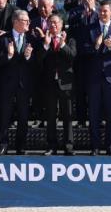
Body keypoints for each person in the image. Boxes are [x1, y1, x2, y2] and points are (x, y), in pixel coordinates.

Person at [79, 0, 111, 155]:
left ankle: (110, 146)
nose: (103, 13)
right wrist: (95, 46)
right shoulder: (89, 28)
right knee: (93, 114)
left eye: (106, 11)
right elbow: (82, 50)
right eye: (100, 11)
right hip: (93, 78)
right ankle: (95, 147)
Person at [0, 10, 39, 155]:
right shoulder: (4, 39)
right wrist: (9, 55)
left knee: (23, 116)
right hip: (7, 83)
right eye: (25, 21)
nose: (28, 23)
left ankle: (21, 146)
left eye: (28, 21)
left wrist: (27, 57)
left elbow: (36, 63)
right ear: (15, 21)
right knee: (5, 116)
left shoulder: (31, 39)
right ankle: (3, 144)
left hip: (24, 84)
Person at [39, 13, 77, 156]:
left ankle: (68, 146)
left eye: (56, 23)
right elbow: (39, 60)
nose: (53, 25)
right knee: (50, 116)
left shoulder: (70, 40)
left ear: (62, 25)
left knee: (67, 116)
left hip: (66, 83)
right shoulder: (44, 40)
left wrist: (62, 44)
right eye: (51, 23)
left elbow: (72, 56)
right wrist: (46, 45)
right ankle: (51, 145)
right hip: (49, 83)